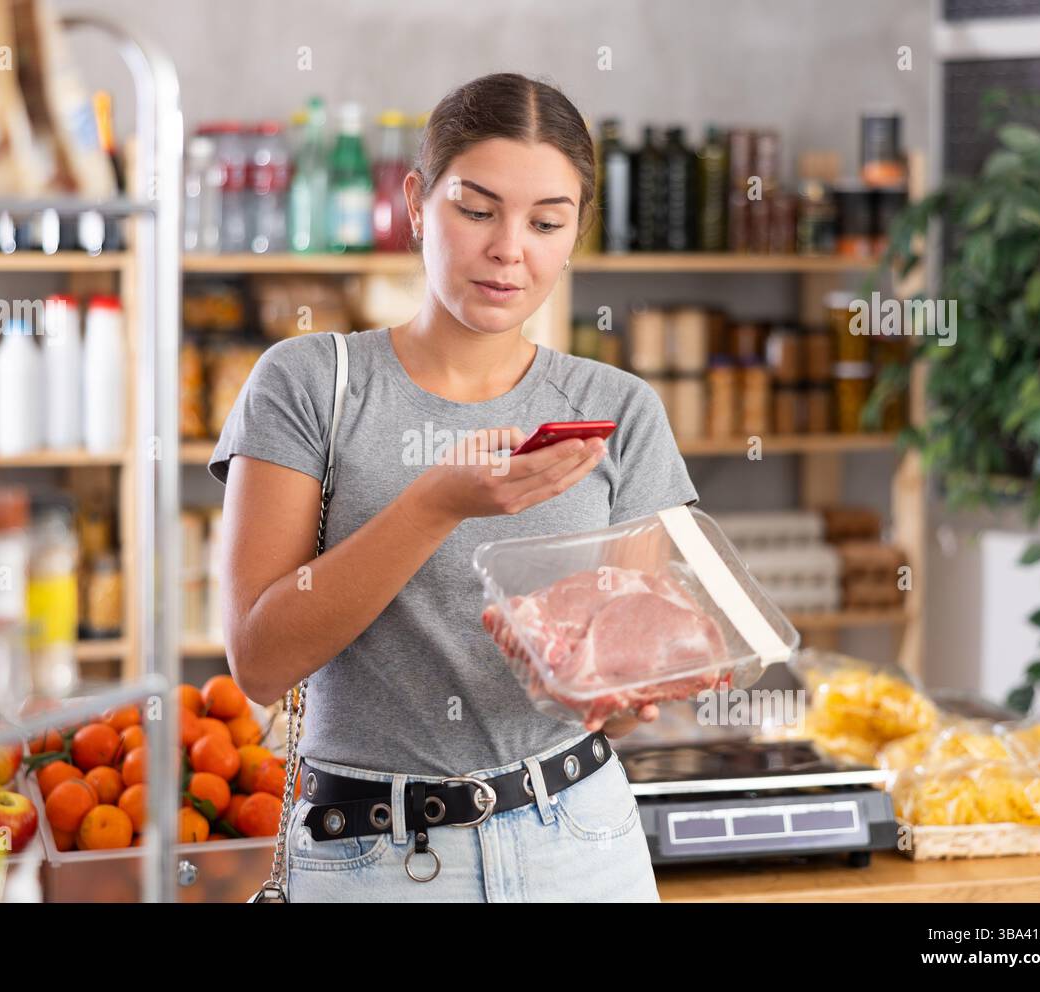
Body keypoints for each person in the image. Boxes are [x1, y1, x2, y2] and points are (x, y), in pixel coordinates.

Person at [209, 72, 699, 902]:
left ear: (576, 231)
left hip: (583, 838)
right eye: (477, 210)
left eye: (548, 221)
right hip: (372, 857)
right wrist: (437, 504)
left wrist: (627, 679)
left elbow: (628, 661)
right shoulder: (310, 383)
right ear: (415, 202)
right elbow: (260, 660)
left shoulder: (617, 409)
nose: (510, 247)